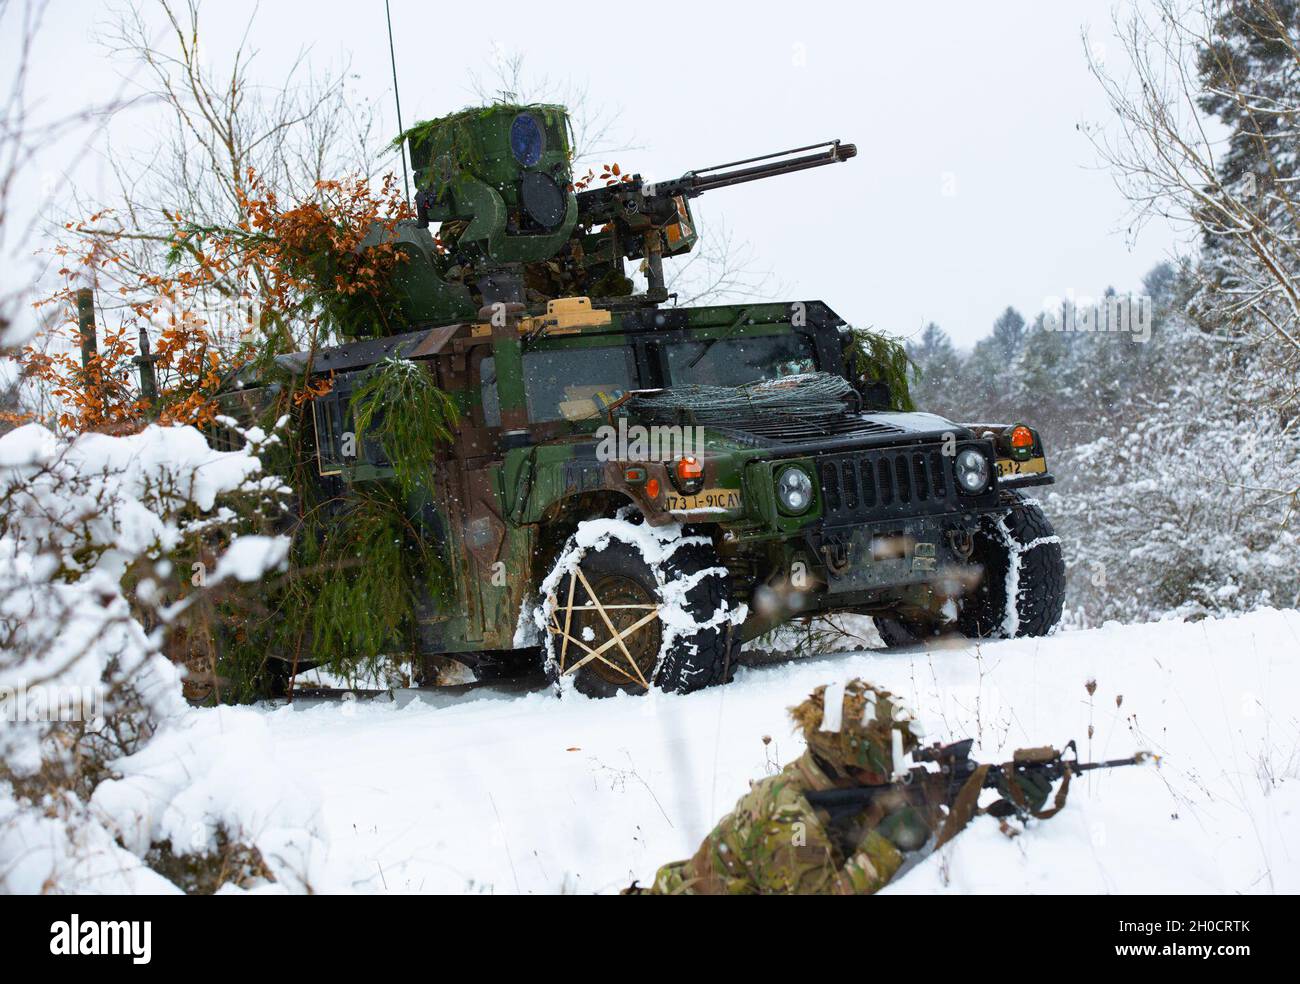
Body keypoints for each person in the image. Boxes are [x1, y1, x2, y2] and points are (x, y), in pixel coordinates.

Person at [638, 678, 1051, 895]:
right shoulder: (790, 817)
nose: (893, 772)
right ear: (847, 762)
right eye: (884, 762)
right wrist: (888, 844)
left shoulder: (834, 785)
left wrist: (992, 803)